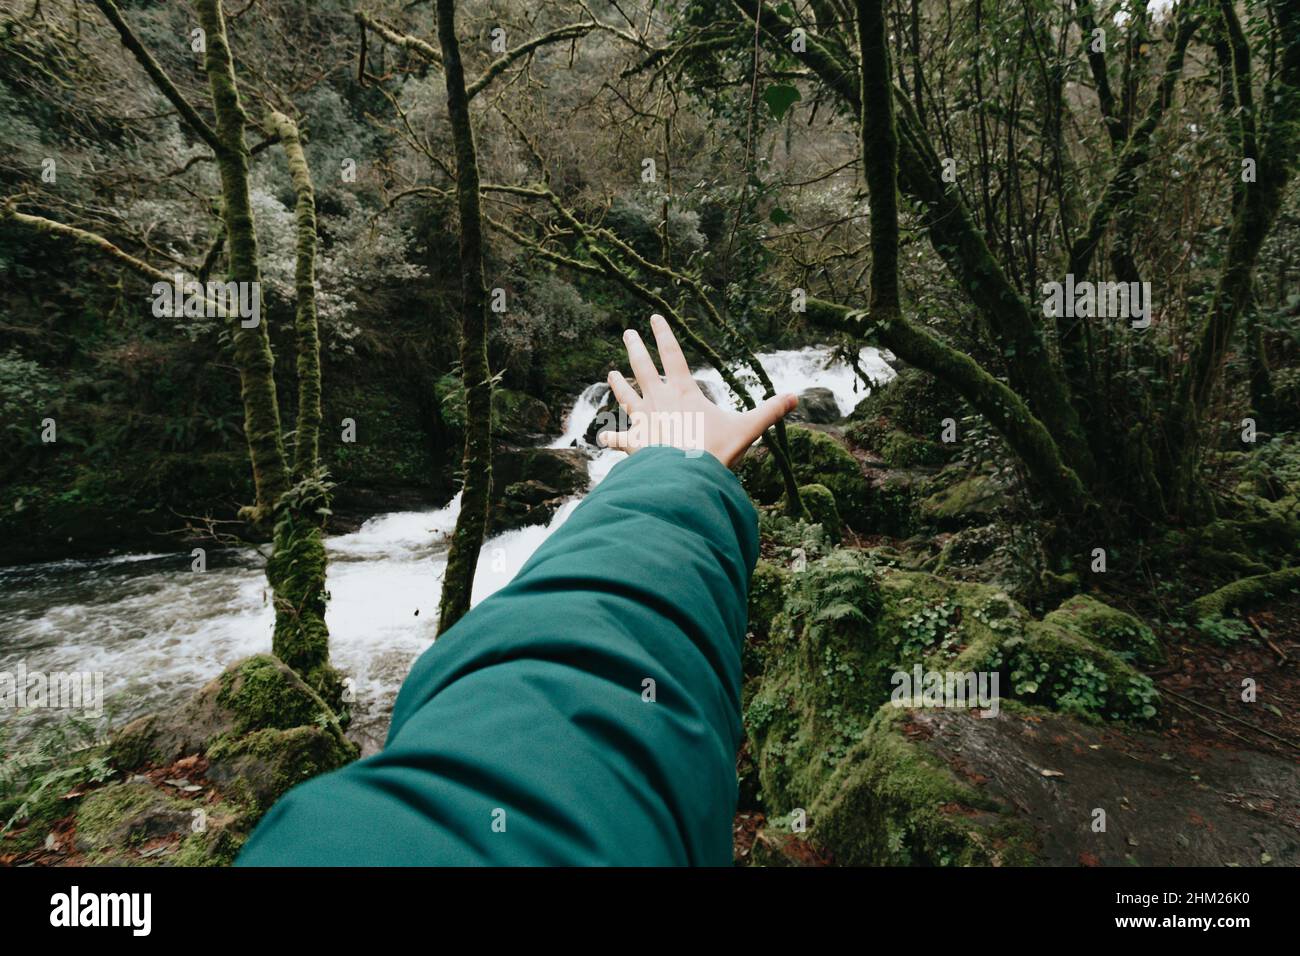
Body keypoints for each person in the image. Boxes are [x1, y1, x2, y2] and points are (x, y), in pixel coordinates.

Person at [236, 315, 798, 866]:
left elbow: (539, 710)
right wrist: (684, 472)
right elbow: (583, 706)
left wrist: (669, 469)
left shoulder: (330, 833)